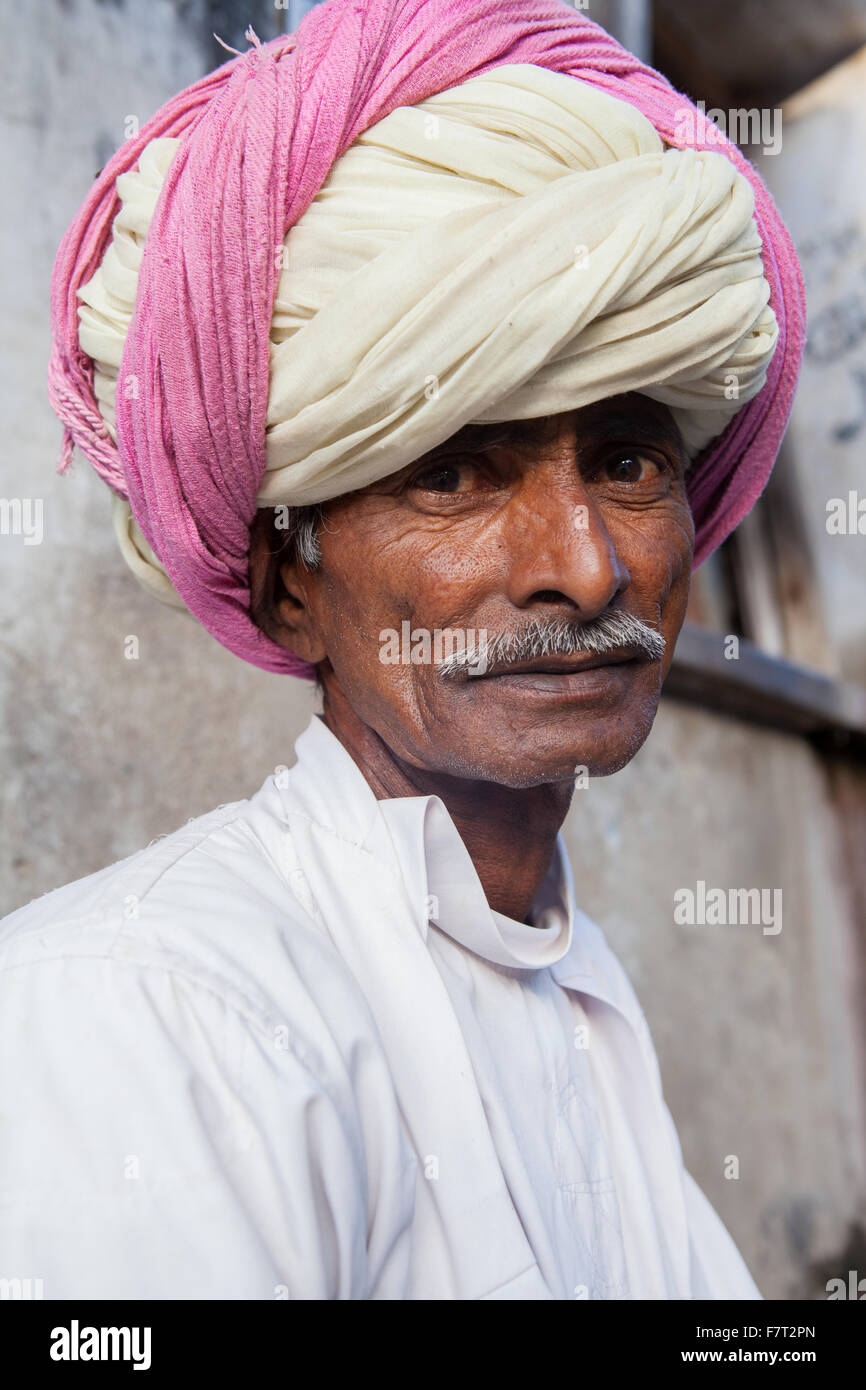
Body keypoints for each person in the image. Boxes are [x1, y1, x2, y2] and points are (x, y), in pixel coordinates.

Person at [0, 0, 804, 1298]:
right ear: (284, 590)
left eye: (627, 461)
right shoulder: (156, 1014)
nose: (586, 565)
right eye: (456, 477)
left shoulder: (566, 987)